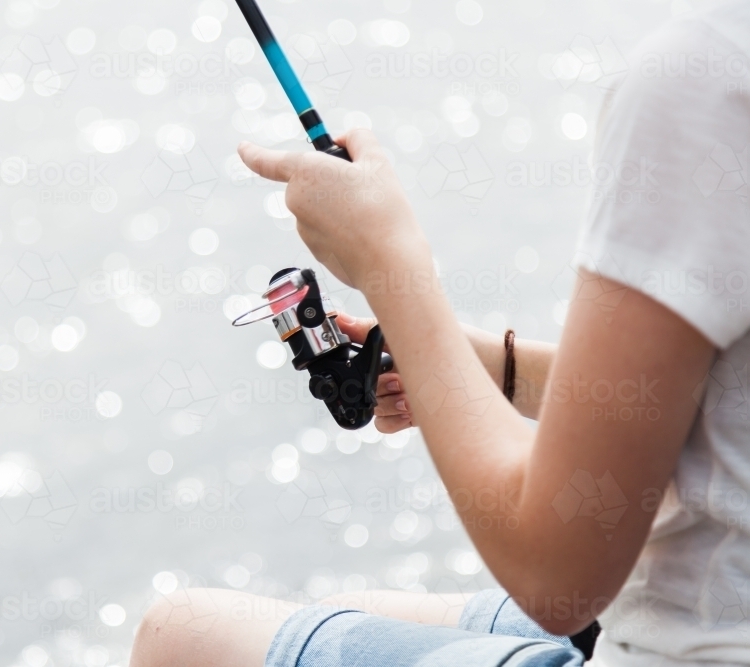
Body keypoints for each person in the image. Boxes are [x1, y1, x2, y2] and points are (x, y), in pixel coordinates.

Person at [131, 2, 750, 665]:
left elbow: (554, 574)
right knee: (356, 607)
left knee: (182, 633)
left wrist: (387, 263)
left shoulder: (701, 83)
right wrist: (486, 369)